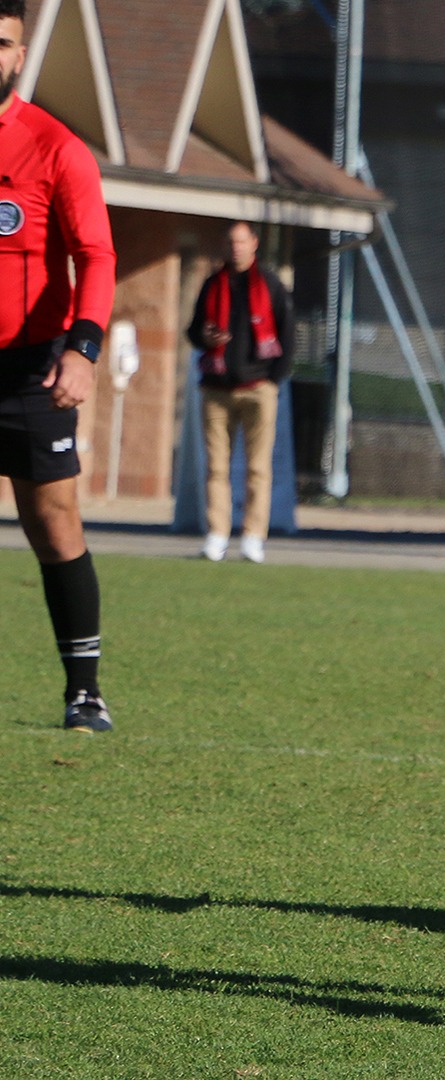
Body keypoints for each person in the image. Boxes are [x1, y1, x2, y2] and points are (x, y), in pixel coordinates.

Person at [0, 1, 116, 733]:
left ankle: (84, 690)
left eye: (1, 42)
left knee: (53, 520)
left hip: (31, 371)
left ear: (20, 52)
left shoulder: (55, 147)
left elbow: (97, 256)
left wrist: (84, 348)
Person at [187, 221, 293, 564]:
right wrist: (207, 338)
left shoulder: (270, 285)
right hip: (217, 388)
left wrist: (272, 380)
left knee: (257, 468)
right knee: (217, 467)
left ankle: (252, 537)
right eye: (231, 242)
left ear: (254, 244)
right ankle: (217, 534)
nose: (236, 248)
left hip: (258, 388)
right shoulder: (212, 284)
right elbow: (193, 332)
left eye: (242, 241)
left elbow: (289, 338)